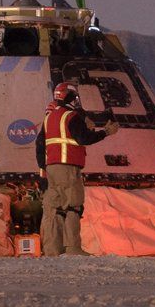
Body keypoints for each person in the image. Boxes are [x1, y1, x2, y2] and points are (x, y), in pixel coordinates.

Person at [36, 82, 118, 256]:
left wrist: (42, 172)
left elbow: (40, 145)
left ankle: (52, 249)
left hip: (52, 168)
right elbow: (83, 138)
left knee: (55, 208)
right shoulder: (71, 116)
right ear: (71, 97)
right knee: (73, 206)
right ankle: (73, 248)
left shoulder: (49, 118)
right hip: (69, 168)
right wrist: (106, 132)